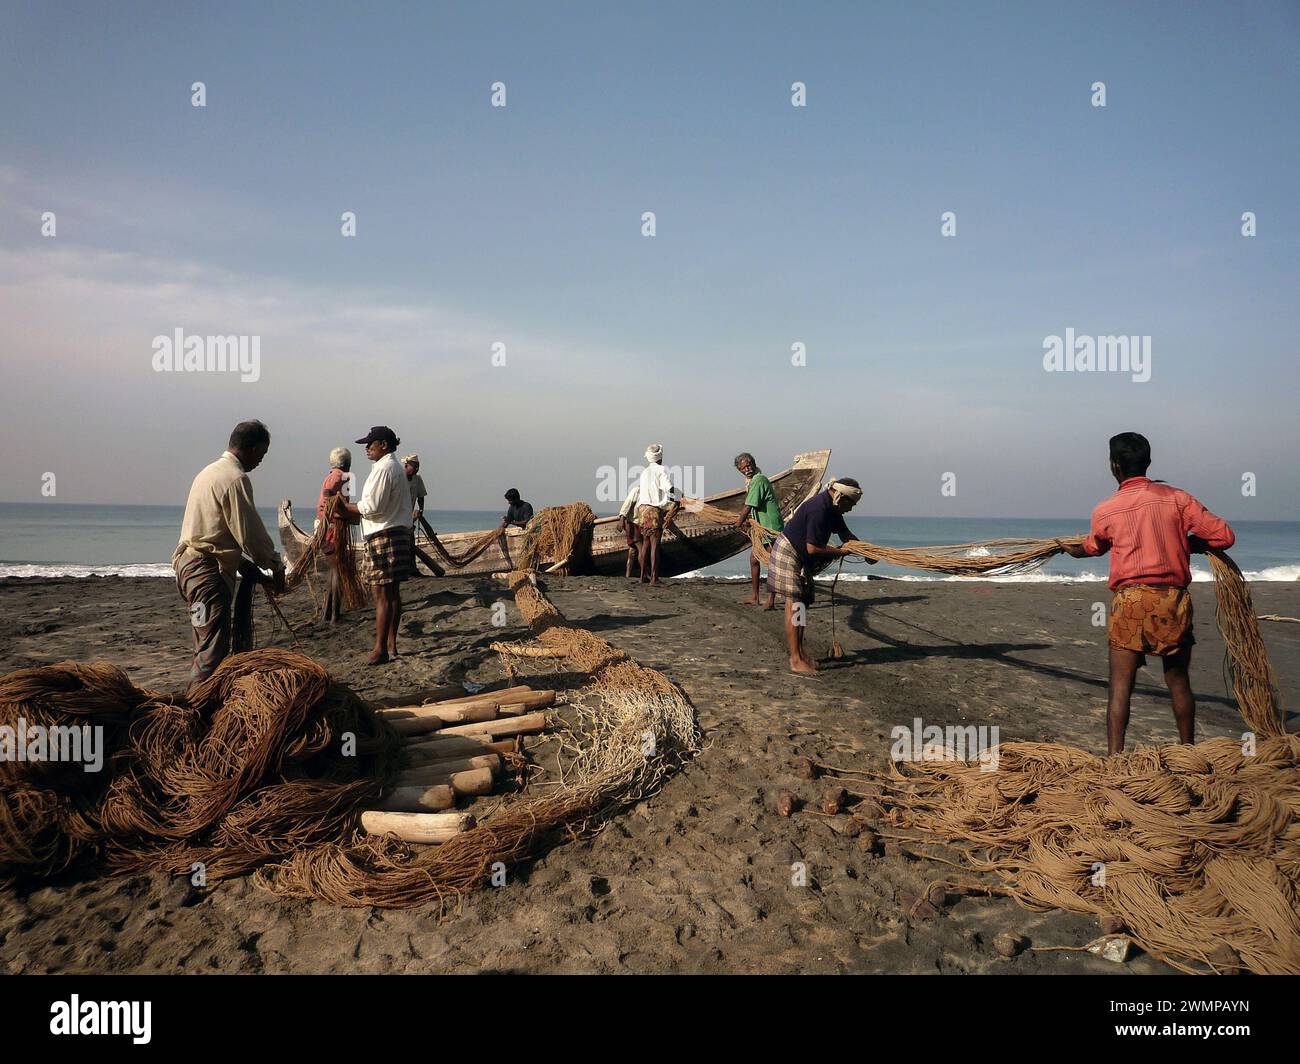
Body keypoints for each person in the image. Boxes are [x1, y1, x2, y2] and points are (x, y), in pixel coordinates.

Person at [1057, 432, 1235, 754]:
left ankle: (1115, 762)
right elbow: (1224, 536)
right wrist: (1190, 543)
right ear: (1148, 462)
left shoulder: (1106, 509)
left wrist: (1072, 551)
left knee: (1120, 686)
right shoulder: (1178, 499)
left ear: (1114, 466)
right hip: (1172, 600)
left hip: (1131, 601)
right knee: (1178, 681)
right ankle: (1188, 752)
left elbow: (1093, 547)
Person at [172, 420, 285, 688]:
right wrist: (274, 565)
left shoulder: (207, 473)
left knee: (203, 642)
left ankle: (198, 704)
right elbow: (249, 534)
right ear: (254, 448)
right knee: (212, 651)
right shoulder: (235, 479)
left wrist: (246, 567)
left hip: (189, 571)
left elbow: (214, 533)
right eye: (262, 454)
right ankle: (196, 712)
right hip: (207, 578)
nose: (261, 461)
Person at [767, 478, 873, 675]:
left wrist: (867, 552)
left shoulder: (833, 508)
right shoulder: (819, 509)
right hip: (789, 553)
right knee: (795, 604)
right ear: (841, 497)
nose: (851, 509)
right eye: (851, 504)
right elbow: (813, 548)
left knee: (803, 604)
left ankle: (801, 653)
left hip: (801, 557)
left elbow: (846, 535)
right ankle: (795, 659)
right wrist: (840, 553)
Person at [340, 426, 414, 665]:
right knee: (392, 594)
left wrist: (345, 507)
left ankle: (380, 649)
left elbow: (372, 508)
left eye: (370, 444)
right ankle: (391, 646)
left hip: (384, 535)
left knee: (381, 594)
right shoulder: (394, 468)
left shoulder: (384, 469)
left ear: (383, 444)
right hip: (396, 533)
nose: (366, 448)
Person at [733, 452, 781, 610]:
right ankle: (755, 597)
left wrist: (738, 522)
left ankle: (771, 600)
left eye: (749, 465)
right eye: (743, 468)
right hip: (761, 527)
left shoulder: (759, 479)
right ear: (739, 470)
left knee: (771, 562)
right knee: (754, 559)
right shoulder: (753, 481)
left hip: (770, 526)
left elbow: (749, 505)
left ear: (754, 464)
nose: (747, 469)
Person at [316, 446, 354, 624]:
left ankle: (328, 613)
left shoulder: (329, 477)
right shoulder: (345, 477)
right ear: (347, 462)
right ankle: (334, 615)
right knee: (338, 570)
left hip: (327, 528)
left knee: (334, 570)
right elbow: (337, 501)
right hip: (334, 529)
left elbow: (331, 500)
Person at [635, 444, 680, 586]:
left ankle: (642, 576)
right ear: (661, 457)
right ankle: (654, 579)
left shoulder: (644, 472)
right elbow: (668, 488)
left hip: (642, 510)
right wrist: (680, 495)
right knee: (655, 546)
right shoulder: (661, 470)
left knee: (646, 543)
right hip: (653, 511)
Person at [617, 483, 642, 578]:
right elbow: (627, 504)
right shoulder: (637, 491)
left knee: (632, 550)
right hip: (633, 523)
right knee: (641, 548)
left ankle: (628, 575)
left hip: (638, 524)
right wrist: (621, 520)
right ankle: (645, 573)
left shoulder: (649, 493)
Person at [402, 454, 427, 523]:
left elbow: (421, 495)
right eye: (414, 466)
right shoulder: (399, 477)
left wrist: (421, 510)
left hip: (408, 515)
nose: (417, 469)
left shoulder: (417, 478)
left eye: (418, 467)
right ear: (406, 466)